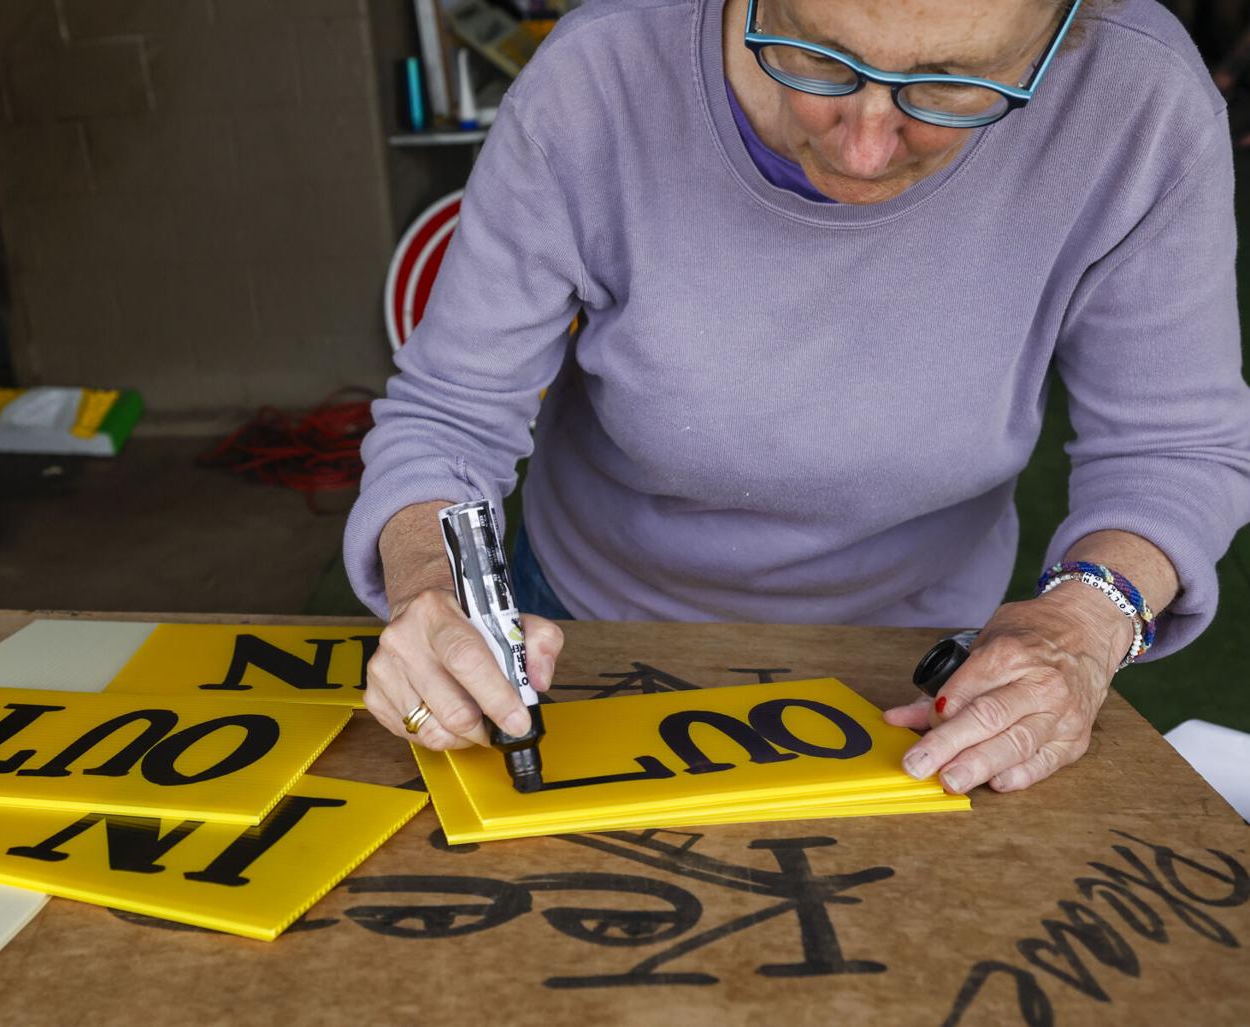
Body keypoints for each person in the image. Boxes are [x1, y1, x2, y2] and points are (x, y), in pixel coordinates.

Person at [344, 0, 1250, 796]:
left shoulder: (1140, 103)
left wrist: (1086, 621)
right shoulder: (598, 75)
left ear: (1062, 33)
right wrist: (432, 590)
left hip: (913, 663)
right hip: (590, 627)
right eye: (818, 55)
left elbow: (1172, 449)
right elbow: (450, 413)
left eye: (951, 84)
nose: (863, 147)